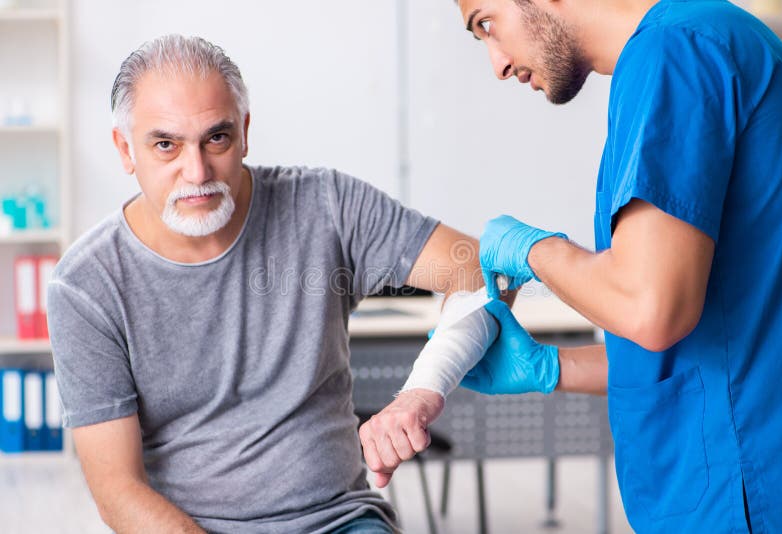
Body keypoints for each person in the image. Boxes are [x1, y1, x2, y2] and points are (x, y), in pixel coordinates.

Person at [359, 0, 782, 531]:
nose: (497, 63)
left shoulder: (673, 54)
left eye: (486, 23)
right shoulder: (694, 42)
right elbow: (716, 341)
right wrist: (553, 368)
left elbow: (650, 309)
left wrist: (533, 251)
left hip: (747, 493)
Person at [47, 34, 483, 534]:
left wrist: (421, 392)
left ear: (245, 132)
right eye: (165, 144)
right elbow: (117, 491)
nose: (196, 172)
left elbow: (477, 272)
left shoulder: (326, 206)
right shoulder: (85, 286)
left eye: (217, 138)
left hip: (338, 521)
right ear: (125, 149)